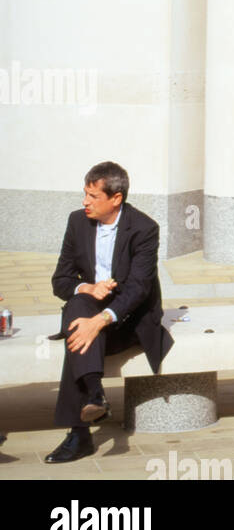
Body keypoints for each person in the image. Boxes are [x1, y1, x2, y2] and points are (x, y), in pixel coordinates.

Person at [44, 162, 172, 464]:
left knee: (78, 330)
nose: (85, 202)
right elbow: (59, 281)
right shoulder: (77, 223)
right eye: (84, 194)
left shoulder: (144, 228)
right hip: (89, 312)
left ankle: (80, 432)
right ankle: (94, 395)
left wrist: (99, 321)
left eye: (93, 196)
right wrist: (87, 288)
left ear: (116, 198)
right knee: (77, 309)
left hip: (129, 321)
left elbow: (138, 290)